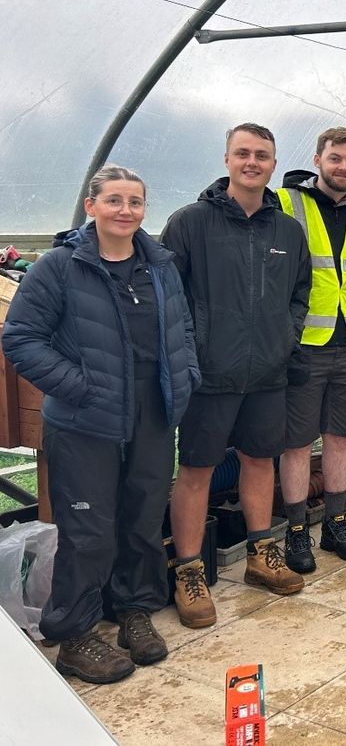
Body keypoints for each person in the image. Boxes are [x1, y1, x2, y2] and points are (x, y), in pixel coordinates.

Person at [3, 166, 199, 684]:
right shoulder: (59, 267)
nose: (126, 210)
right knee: (88, 530)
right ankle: (74, 635)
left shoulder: (159, 267)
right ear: (91, 206)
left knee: (140, 518)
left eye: (135, 202)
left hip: (152, 414)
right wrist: (78, 386)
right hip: (84, 420)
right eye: (114, 200)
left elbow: (182, 329)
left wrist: (187, 376)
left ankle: (133, 610)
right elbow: (21, 337)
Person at [161, 123, 311, 627]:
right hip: (209, 375)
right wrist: (191, 351)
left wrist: (284, 339)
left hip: (268, 373)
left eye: (262, 155)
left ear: (273, 164)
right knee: (197, 469)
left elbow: (299, 294)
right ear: (226, 158)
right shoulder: (191, 224)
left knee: (259, 461)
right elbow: (168, 298)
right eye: (243, 153)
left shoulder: (287, 230)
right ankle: (189, 571)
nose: (253, 162)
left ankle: (259, 554)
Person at [276, 128, 346, 573]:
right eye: (335, 159)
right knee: (297, 443)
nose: (343, 167)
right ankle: (296, 531)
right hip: (304, 346)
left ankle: (335, 525)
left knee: (341, 439)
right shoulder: (286, 203)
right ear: (317, 159)